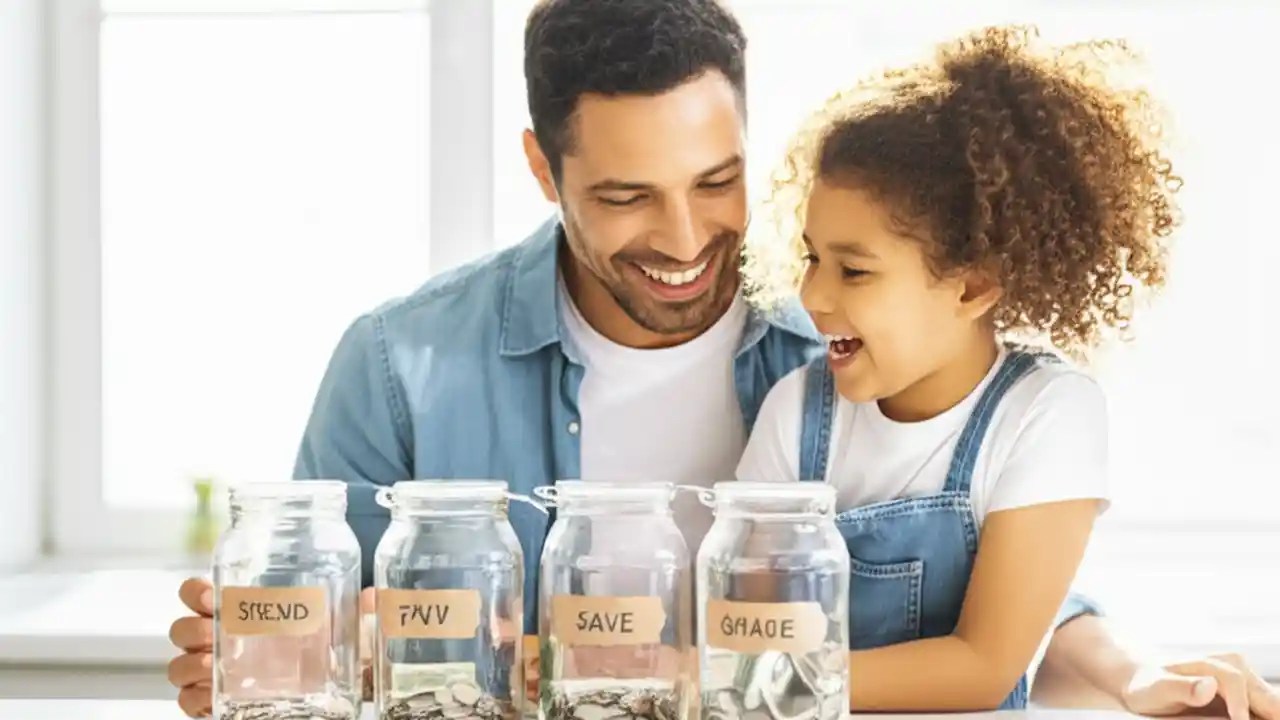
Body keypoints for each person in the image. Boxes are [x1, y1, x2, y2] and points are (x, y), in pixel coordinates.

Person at [164, 2, 1280, 718]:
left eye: (715, 183)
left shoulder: (842, 342)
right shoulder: (402, 363)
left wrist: (1137, 677)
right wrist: (257, 655)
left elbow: (991, 605)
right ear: (544, 173)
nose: (690, 239)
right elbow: (334, 634)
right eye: (622, 195)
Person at [734, 23, 1189, 712]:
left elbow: (983, 667)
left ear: (973, 287)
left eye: (854, 270)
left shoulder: (1046, 414)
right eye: (812, 258)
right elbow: (745, 632)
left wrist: (750, 675)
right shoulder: (794, 413)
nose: (812, 296)